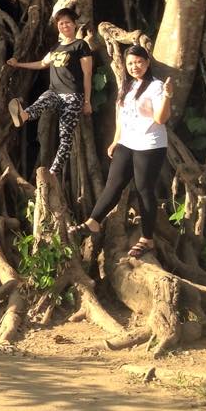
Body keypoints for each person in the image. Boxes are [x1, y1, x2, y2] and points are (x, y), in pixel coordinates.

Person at [68, 44, 172, 258]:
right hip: (127, 142)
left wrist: (168, 96)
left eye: (139, 62)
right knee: (113, 184)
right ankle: (93, 222)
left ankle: (147, 239)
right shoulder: (129, 85)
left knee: (144, 190)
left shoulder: (156, 86)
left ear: (147, 63)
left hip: (150, 145)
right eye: (131, 63)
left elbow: (160, 119)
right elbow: (121, 115)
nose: (135, 66)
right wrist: (116, 140)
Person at [6, 7, 93, 176]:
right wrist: (18, 64)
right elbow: (42, 64)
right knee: (43, 100)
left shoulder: (80, 45)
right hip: (55, 91)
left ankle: (53, 172)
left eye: (67, 22)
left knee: (65, 137)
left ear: (74, 24)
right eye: (61, 23)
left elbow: (87, 74)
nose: (64, 26)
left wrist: (87, 101)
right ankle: (23, 115)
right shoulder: (56, 47)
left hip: (73, 96)